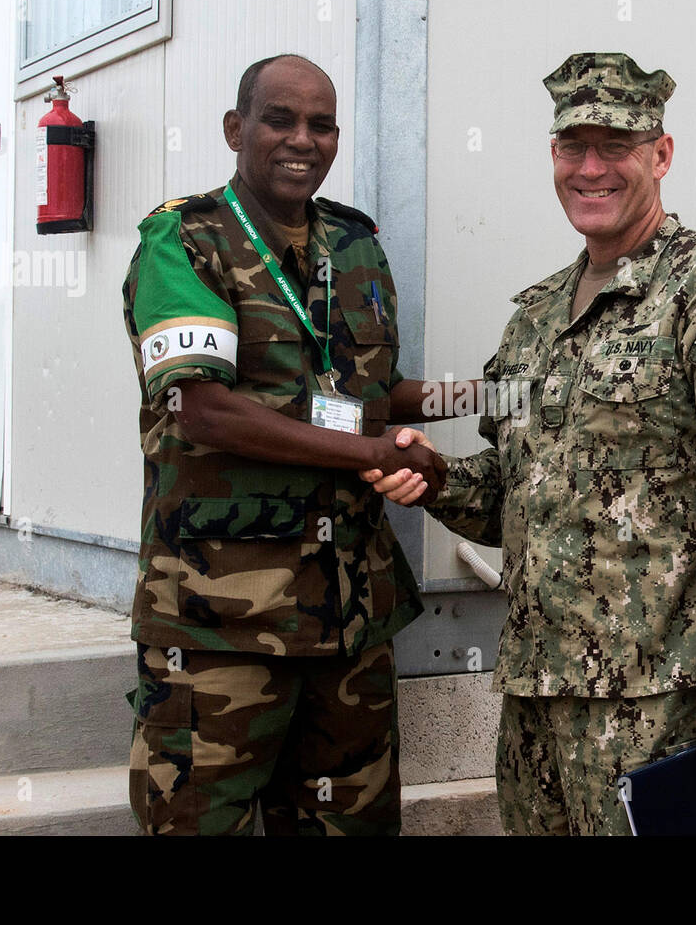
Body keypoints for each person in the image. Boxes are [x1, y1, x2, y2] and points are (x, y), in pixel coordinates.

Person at [363, 52, 696, 835]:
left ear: (661, 154)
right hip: (539, 701)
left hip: (666, 702)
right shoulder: (536, 315)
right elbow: (518, 493)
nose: (591, 169)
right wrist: (434, 476)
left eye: (614, 146)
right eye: (572, 147)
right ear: (552, 156)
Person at [120, 53, 451, 836]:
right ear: (237, 129)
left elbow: (369, 394)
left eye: (322, 123)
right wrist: (378, 458)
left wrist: (495, 395)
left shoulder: (356, 243)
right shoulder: (181, 242)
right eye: (280, 119)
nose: (302, 139)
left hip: (349, 619)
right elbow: (205, 411)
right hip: (219, 625)